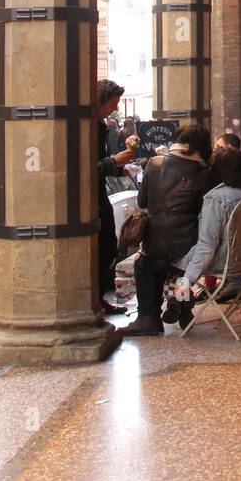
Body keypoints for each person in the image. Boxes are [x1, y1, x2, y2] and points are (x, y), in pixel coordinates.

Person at [122, 125, 215, 337]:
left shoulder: (154, 163)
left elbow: (142, 201)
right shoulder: (206, 172)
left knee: (144, 264)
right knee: (177, 267)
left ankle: (148, 317)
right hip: (188, 242)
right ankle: (182, 303)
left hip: (155, 242)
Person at [173, 148, 241, 330]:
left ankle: (179, 301)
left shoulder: (216, 198)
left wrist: (187, 280)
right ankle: (177, 302)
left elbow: (208, 245)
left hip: (222, 263)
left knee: (168, 259)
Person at [96, 79, 139, 315]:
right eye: (113, 103)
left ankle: (98, 299)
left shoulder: (99, 124)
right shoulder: (90, 125)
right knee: (105, 247)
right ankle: (97, 299)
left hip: (99, 193)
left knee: (109, 246)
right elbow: (85, 167)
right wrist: (115, 162)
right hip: (93, 198)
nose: (115, 109)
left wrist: (120, 167)